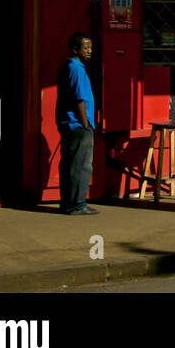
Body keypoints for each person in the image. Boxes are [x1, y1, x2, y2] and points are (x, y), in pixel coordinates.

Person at [56, 32, 99, 215]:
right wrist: (85, 124)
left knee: (70, 165)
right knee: (81, 165)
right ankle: (77, 204)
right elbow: (79, 100)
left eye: (90, 47)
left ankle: (68, 203)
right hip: (78, 125)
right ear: (75, 49)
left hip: (69, 124)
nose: (90, 51)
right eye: (86, 47)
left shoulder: (68, 67)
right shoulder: (77, 69)